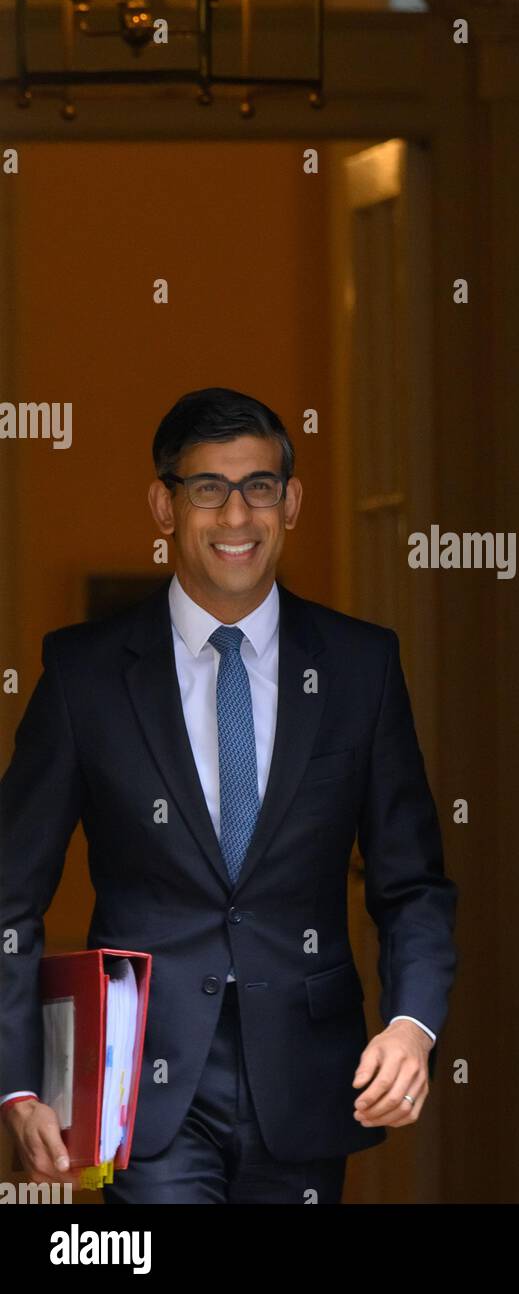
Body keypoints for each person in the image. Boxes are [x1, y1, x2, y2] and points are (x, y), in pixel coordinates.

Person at [0, 387, 458, 1203]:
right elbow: (10, 891)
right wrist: (19, 1079)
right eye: (208, 487)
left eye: (260, 487)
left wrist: (411, 1025)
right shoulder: (83, 674)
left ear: (292, 503)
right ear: (164, 506)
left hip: (306, 1077)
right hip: (139, 1087)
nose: (237, 515)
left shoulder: (361, 666)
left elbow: (413, 882)